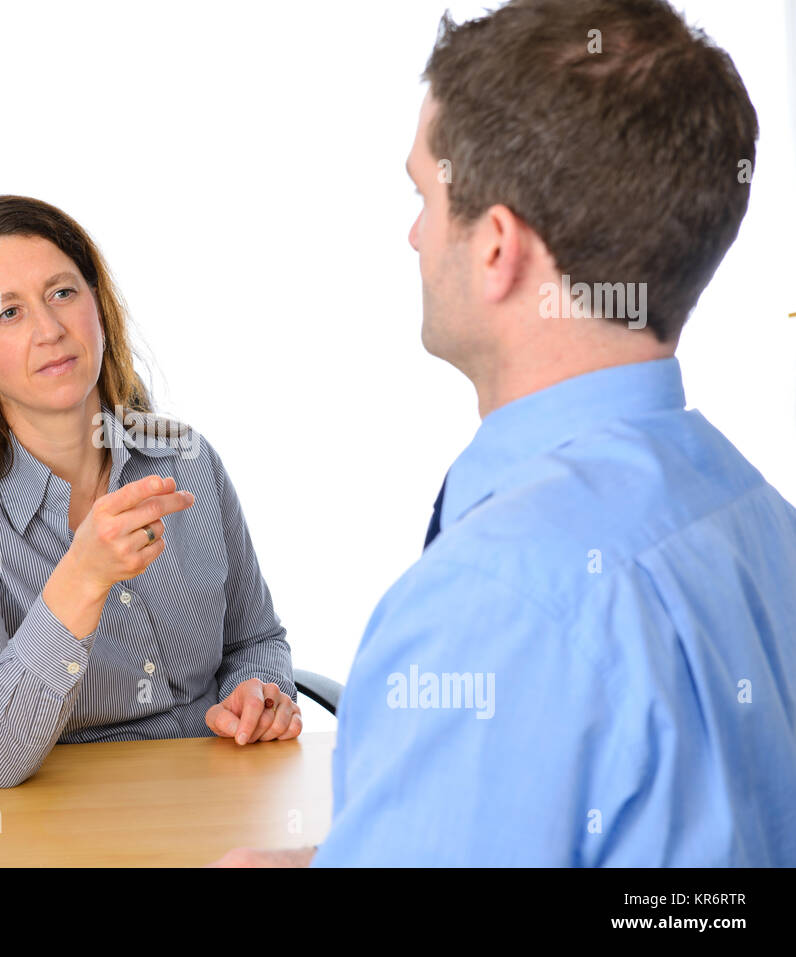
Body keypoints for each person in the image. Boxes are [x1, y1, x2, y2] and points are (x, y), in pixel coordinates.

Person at [215, 0, 796, 866]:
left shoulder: (497, 605)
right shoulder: (759, 521)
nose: (413, 234)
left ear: (496, 248)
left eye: (424, 195)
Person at [0, 194, 300, 788]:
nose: (51, 330)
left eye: (62, 293)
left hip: (219, 797)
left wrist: (256, 699)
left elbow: (256, 638)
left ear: (97, 309)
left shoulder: (186, 459)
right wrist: (82, 579)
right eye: (8, 313)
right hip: (64, 821)